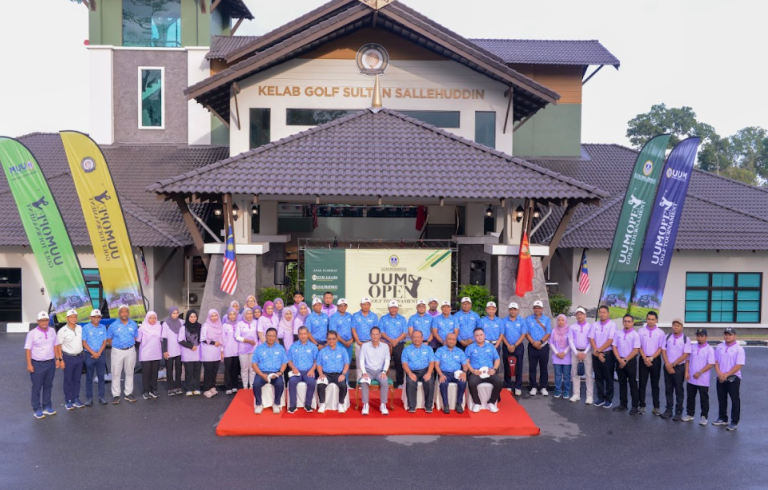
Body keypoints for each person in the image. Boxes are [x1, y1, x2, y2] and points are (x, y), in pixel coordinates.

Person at [26, 311, 60, 418]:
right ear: (38, 321)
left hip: (50, 363)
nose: (44, 322)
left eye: (46, 320)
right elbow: (28, 350)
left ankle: (47, 406)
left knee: (48, 386)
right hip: (37, 364)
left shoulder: (52, 331)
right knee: (37, 387)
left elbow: (55, 345)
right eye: (42, 320)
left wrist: (58, 359)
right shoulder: (32, 333)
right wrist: (29, 364)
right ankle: (37, 408)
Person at [713, 327, 745, 431]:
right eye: (726, 334)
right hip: (720, 377)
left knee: (734, 400)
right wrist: (719, 373)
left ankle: (734, 421)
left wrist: (726, 374)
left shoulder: (739, 349)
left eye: (730, 334)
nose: (727, 336)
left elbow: (739, 365)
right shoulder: (719, 346)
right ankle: (723, 418)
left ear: (734, 336)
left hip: (733, 378)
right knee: (721, 399)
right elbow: (716, 361)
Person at [465, 327, 503, 413]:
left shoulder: (491, 347)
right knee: (472, 382)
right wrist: (473, 371)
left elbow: (497, 359)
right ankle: (477, 402)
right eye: (477, 335)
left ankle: (491, 402)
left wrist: (494, 369)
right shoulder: (470, 348)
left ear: (484, 335)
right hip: (476, 372)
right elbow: (466, 362)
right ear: (474, 337)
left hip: (489, 372)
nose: (479, 337)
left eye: (481, 335)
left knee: (499, 382)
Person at [251, 328, 288, 414]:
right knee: (256, 384)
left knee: (280, 384)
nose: (271, 338)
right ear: (266, 336)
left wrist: (280, 372)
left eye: (273, 336)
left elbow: (284, 362)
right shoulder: (259, 348)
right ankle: (259, 404)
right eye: (269, 336)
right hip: (262, 372)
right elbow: (254, 364)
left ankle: (276, 403)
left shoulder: (280, 348)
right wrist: (261, 375)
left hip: (276, 373)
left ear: (276, 337)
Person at [107, 305, 139, 404]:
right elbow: (109, 338)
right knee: (116, 373)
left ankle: (128, 393)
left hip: (130, 350)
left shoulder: (133, 324)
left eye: (126, 312)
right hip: (117, 351)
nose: (124, 314)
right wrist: (117, 346)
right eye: (122, 312)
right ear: (119, 313)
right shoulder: (113, 325)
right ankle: (116, 395)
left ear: (128, 313)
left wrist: (127, 344)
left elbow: (135, 337)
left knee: (129, 372)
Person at [683, 328, 715, 425]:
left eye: (702, 336)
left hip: (703, 379)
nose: (699, 338)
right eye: (698, 336)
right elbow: (688, 360)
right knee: (690, 397)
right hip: (691, 378)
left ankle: (704, 416)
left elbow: (711, 364)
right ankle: (690, 414)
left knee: (703, 398)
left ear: (706, 337)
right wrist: (686, 372)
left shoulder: (709, 349)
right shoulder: (692, 347)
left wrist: (700, 372)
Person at [661, 318, 691, 421]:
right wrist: (667, 364)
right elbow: (663, 351)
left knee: (679, 390)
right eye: (674, 325)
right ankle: (668, 410)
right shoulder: (667, 337)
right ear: (672, 326)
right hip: (667, 366)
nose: (676, 327)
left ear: (682, 327)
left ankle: (678, 411)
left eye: (678, 325)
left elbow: (686, 354)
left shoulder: (686, 339)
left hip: (678, 367)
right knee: (668, 389)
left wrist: (673, 364)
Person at [358, 327, 391, 415]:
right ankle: (366, 404)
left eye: (377, 334)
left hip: (380, 370)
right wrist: (364, 373)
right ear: (370, 335)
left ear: (380, 335)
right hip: (368, 370)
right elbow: (361, 360)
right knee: (364, 382)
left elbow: (387, 360)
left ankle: (383, 404)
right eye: (373, 334)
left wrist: (384, 372)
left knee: (384, 382)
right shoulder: (365, 346)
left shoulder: (385, 346)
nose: (375, 336)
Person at [56, 309, 85, 410]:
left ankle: (76, 398)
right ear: (67, 318)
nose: (73, 319)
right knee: (68, 380)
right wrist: (60, 359)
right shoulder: (62, 331)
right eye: (71, 317)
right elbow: (58, 346)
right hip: (67, 358)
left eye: (75, 317)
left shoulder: (80, 328)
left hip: (79, 357)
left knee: (77, 380)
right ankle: (68, 400)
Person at [402, 330, 436, 413]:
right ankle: (412, 406)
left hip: (425, 370)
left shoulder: (429, 349)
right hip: (412, 371)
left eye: (418, 337)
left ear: (422, 338)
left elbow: (432, 362)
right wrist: (410, 373)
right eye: (414, 337)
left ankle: (428, 406)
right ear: (411, 338)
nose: (417, 339)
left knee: (430, 381)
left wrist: (428, 373)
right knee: (410, 382)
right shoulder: (406, 349)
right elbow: (404, 364)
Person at [638, 310, 665, 415]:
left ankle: (656, 407)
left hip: (655, 360)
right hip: (643, 359)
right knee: (642, 383)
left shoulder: (660, 333)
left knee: (655, 384)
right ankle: (642, 405)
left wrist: (651, 358)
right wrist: (645, 358)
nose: (650, 321)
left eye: (653, 319)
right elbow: (638, 346)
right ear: (646, 319)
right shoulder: (641, 331)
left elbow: (660, 348)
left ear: (656, 320)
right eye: (649, 319)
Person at [612, 314, 640, 414]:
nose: (627, 323)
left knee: (633, 384)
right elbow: (614, 346)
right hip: (619, 360)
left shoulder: (635, 335)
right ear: (623, 322)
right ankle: (623, 404)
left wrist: (625, 360)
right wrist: (619, 359)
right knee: (622, 383)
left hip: (630, 361)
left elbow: (636, 350)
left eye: (629, 321)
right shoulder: (618, 333)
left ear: (632, 323)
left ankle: (634, 406)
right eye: (625, 321)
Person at [315, 331, 350, 413]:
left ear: (337, 339)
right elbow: (319, 364)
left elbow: (346, 363)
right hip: (326, 374)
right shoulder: (323, 351)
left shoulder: (342, 350)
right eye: (329, 339)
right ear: (326, 339)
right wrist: (320, 374)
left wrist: (343, 374)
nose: (331, 341)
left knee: (343, 385)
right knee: (320, 384)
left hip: (339, 374)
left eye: (333, 339)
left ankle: (340, 403)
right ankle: (322, 404)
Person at [286, 326, 318, 413]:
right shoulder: (293, 346)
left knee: (312, 382)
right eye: (301, 334)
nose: (303, 336)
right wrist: (293, 368)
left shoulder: (313, 347)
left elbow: (316, 361)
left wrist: (312, 370)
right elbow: (289, 360)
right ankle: (293, 406)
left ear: (308, 334)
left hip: (309, 371)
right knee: (292, 382)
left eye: (304, 334)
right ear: (298, 335)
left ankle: (308, 404)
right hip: (297, 372)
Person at [434, 332, 468, 414]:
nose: (451, 341)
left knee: (463, 382)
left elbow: (465, 364)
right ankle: (446, 404)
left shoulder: (460, 351)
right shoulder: (440, 350)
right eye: (449, 339)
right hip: (444, 373)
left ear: (456, 341)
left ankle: (459, 403)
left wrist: (464, 372)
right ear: (446, 340)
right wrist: (441, 375)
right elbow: (436, 365)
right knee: (443, 383)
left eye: (453, 339)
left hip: (457, 373)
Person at [589, 305, 616, 408]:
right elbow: (591, 338)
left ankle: (609, 399)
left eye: (604, 312)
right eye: (600, 312)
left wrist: (599, 351)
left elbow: (610, 340)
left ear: (608, 313)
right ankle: (600, 397)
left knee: (608, 377)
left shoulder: (612, 325)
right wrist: (597, 352)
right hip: (596, 354)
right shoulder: (595, 324)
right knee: (598, 377)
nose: (602, 314)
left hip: (607, 355)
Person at [82, 309, 108, 406]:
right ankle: (89, 398)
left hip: (100, 354)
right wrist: (93, 352)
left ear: (100, 318)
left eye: (98, 317)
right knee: (89, 377)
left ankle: (101, 397)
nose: (96, 319)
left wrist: (99, 353)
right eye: (94, 317)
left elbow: (105, 342)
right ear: (90, 317)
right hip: (89, 355)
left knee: (101, 377)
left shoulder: (103, 327)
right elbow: (84, 343)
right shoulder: (86, 328)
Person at [379, 300, 408, 388]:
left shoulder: (402, 319)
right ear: (388, 309)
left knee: (399, 364)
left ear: (397, 308)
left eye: (395, 307)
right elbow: (381, 331)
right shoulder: (383, 318)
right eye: (391, 307)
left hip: (398, 344)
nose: (393, 309)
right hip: (385, 344)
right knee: (383, 364)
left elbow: (405, 332)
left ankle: (399, 383)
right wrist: (391, 340)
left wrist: (396, 340)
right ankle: (382, 381)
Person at [526, 300, 552, 396]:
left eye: (539, 308)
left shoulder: (546, 319)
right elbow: (526, 333)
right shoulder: (528, 319)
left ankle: (543, 386)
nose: (537, 309)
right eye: (535, 308)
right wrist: (533, 342)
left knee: (543, 367)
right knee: (532, 367)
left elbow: (548, 332)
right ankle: (533, 386)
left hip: (543, 346)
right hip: (532, 346)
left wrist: (540, 342)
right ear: (533, 309)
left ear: (542, 309)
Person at [568, 307, 593, 404]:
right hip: (575, 353)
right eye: (577, 314)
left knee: (588, 374)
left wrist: (585, 352)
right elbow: (570, 340)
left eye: (581, 314)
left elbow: (591, 341)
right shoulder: (572, 327)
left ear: (585, 315)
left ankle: (589, 396)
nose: (579, 316)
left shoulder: (590, 326)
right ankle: (576, 394)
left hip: (587, 353)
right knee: (575, 374)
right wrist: (576, 353)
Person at [136, 311, 163, 400]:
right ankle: (146, 391)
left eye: (154, 318)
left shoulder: (159, 327)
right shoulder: (142, 328)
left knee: (155, 373)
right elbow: (138, 340)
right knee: (146, 373)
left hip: (156, 353)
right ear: (147, 318)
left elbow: (163, 339)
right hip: (145, 353)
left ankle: (153, 390)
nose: (153, 320)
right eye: (150, 318)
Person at [501, 302, 526, 396]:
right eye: (511, 309)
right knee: (507, 365)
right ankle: (507, 384)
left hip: (518, 346)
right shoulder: (504, 321)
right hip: (506, 346)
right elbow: (502, 334)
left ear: (518, 310)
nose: (513, 311)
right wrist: (508, 345)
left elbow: (523, 334)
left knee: (518, 365)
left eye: (515, 309)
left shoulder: (522, 321)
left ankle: (518, 386)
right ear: (508, 310)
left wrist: (514, 345)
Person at [200, 309, 223, 398]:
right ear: (209, 316)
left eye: (215, 315)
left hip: (216, 352)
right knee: (208, 371)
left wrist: (221, 350)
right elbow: (203, 338)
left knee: (214, 371)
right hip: (208, 352)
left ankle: (212, 387)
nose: (214, 318)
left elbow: (222, 338)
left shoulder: (219, 325)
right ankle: (206, 389)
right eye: (212, 316)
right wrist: (214, 343)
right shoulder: (205, 326)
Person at [178, 310, 202, 396]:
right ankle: (189, 388)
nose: (193, 318)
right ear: (187, 317)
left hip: (198, 352)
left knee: (197, 371)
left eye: (194, 316)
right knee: (189, 371)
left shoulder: (200, 326)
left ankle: (196, 388)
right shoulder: (183, 328)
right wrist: (190, 346)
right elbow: (180, 340)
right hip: (188, 352)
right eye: (191, 317)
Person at [161, 306, 183, 396]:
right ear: (170, 313)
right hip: (169, 350)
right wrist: (165, 350)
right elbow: (164, 338)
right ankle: (170, 387)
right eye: (173, 313)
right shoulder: (165, 324)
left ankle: (178, 386)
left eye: (177, 313)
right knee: (169, 369)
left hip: (180, 350)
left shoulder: (182, 322)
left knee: (179, 370)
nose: (175, 315)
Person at [235, 307, 259, 389]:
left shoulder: (256, 322)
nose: (249, 315)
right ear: (244, 315)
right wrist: (248, 341)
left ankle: (252, 385)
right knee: (244, 368)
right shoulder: (240, 324)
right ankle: (245, 386)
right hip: (243, 349)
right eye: (247, 314)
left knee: (252, 368)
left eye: (251, 313)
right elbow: (237, 336)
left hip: (254, 349)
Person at [550, 314, 572, 399]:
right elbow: (551, 343)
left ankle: (566, 391)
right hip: (556, 356)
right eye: (559, 320)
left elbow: (571, 343)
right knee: (558, 375)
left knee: (566, 375)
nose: (560, 322)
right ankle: (558, 390)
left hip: (566, 356)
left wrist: (564, 353)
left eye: (562, 320)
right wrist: (557, 353)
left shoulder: (569, 330)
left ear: (565, 321)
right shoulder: (554, 331)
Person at [352, 297, 378, 361]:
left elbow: (376, 330)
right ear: (360, 305)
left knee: (371, 363)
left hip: (371, 342)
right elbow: (353, 329)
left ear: (370, 305)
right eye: (364, 304)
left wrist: (371, 342)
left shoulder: (374, 316)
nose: (366, 306)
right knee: (359, 363)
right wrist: (358, 342)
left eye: (367, 304)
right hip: (359, 343)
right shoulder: (355, 315)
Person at [221, 307, 241, 395]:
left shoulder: (239, 324)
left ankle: (234, 386)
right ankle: (228, 386)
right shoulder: (225, 326)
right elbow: (222, 339)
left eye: (234, 314)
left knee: (235, 369)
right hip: (228, 350)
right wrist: (222, 351)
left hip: (237, 350)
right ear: (228, 315)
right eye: (230, 314)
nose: (232, 316)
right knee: (228, 369)